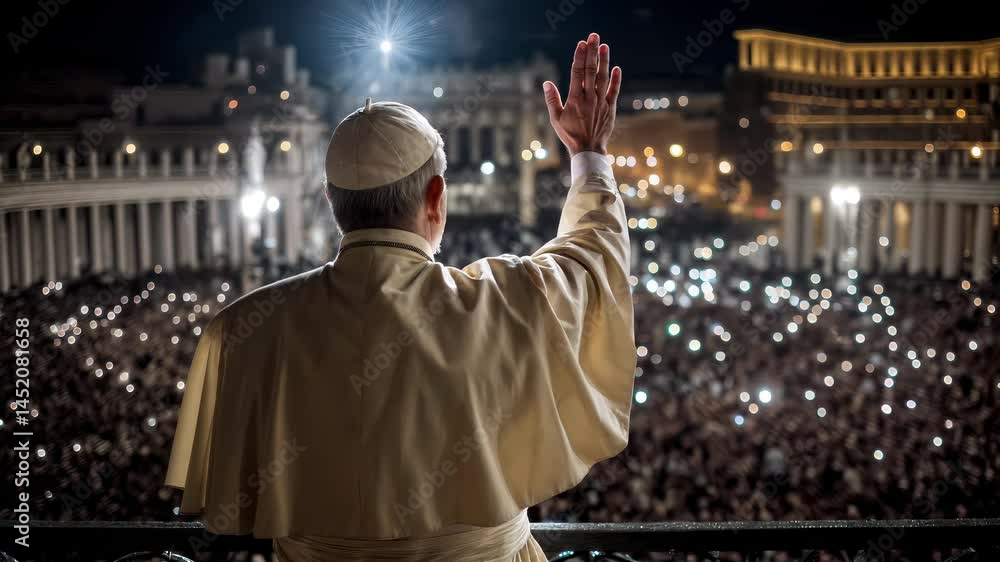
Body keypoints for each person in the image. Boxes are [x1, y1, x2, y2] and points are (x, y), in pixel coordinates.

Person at [165, 32, 633, 561]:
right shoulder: (508, 301)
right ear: (436, 198)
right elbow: (592, 259)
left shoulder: (241, 330)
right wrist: (589, 154)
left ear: (330, 203)